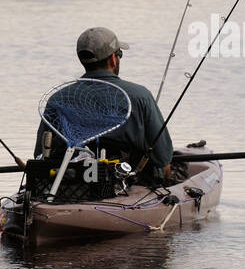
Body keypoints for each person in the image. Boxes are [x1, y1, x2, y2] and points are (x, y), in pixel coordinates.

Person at [34, 27, 175, 180]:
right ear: (113, 59)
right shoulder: (140, 95)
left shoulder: (57, 98)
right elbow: (163, 158)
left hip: (72, 182)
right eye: (119, 54)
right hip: (127, 184)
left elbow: (40, 154)